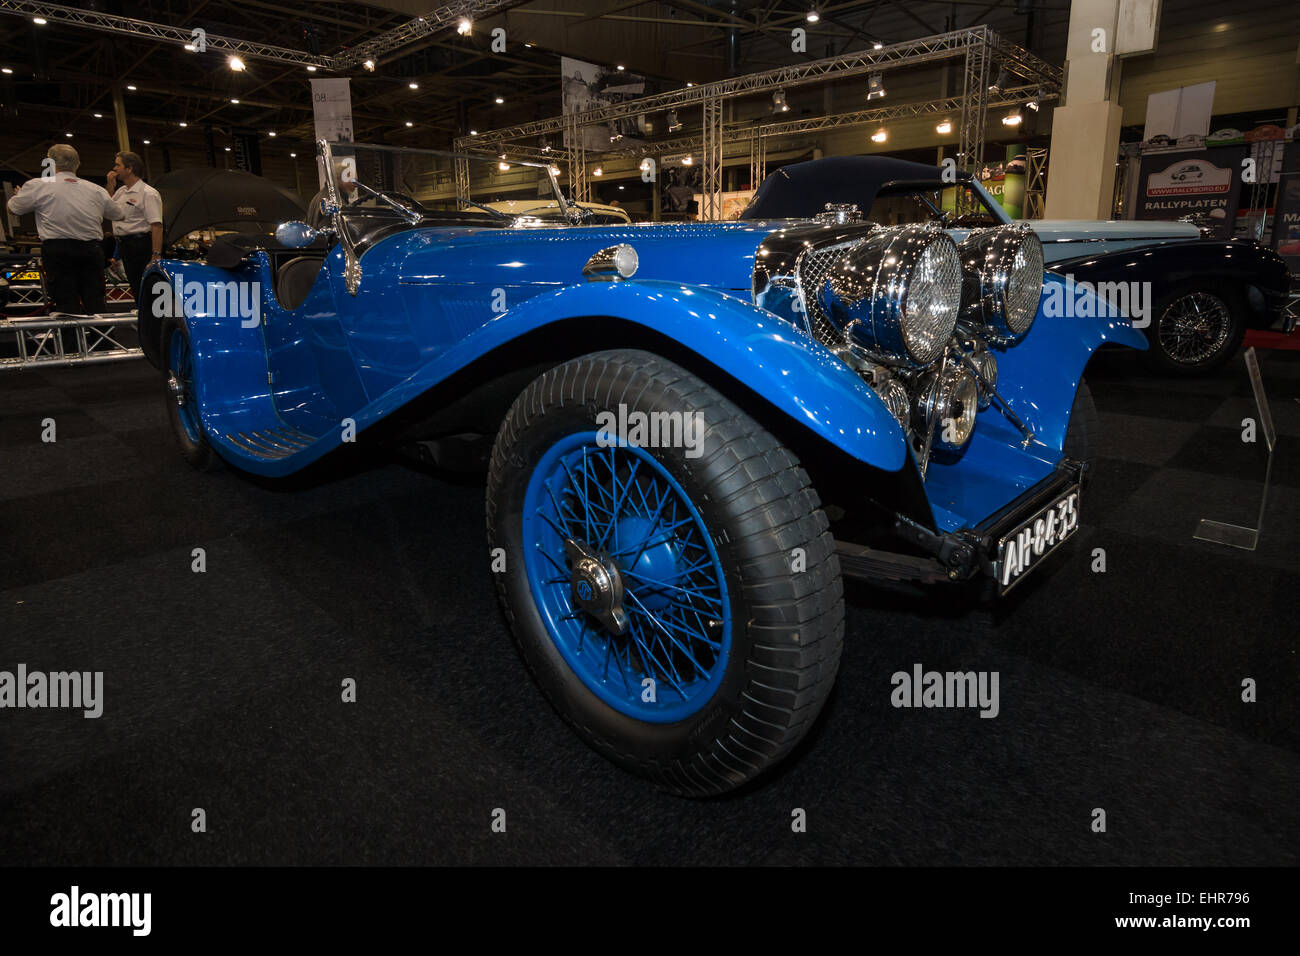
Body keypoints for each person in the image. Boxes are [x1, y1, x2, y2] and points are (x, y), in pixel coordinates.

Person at [5, 144, 124, 315]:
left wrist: (18, 195)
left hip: (58, 252)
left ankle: (71, 333)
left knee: (66, 306)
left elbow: (12, 209)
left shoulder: (37, 185)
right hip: (90, 250)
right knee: (96, 303)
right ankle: (102, 333)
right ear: (78, 164)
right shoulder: (96, 189)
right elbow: (118, 214)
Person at [106, 150, 163, 309]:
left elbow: (157, 225)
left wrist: (155, 255)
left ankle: (153, 319)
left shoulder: (148, 193)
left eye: (118, 165)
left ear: (129, 168)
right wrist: (110, 186)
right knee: (135, 285)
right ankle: (143, 314)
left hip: (141, 245)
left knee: (147, 287)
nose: (114, 168)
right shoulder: (121, 191)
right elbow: (108, 208)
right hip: (124, 245)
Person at [306, 160, 361, 228]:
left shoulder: (320, 195)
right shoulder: (334, 201)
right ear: (338, 178)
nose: (356, 185)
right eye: (352, 180)